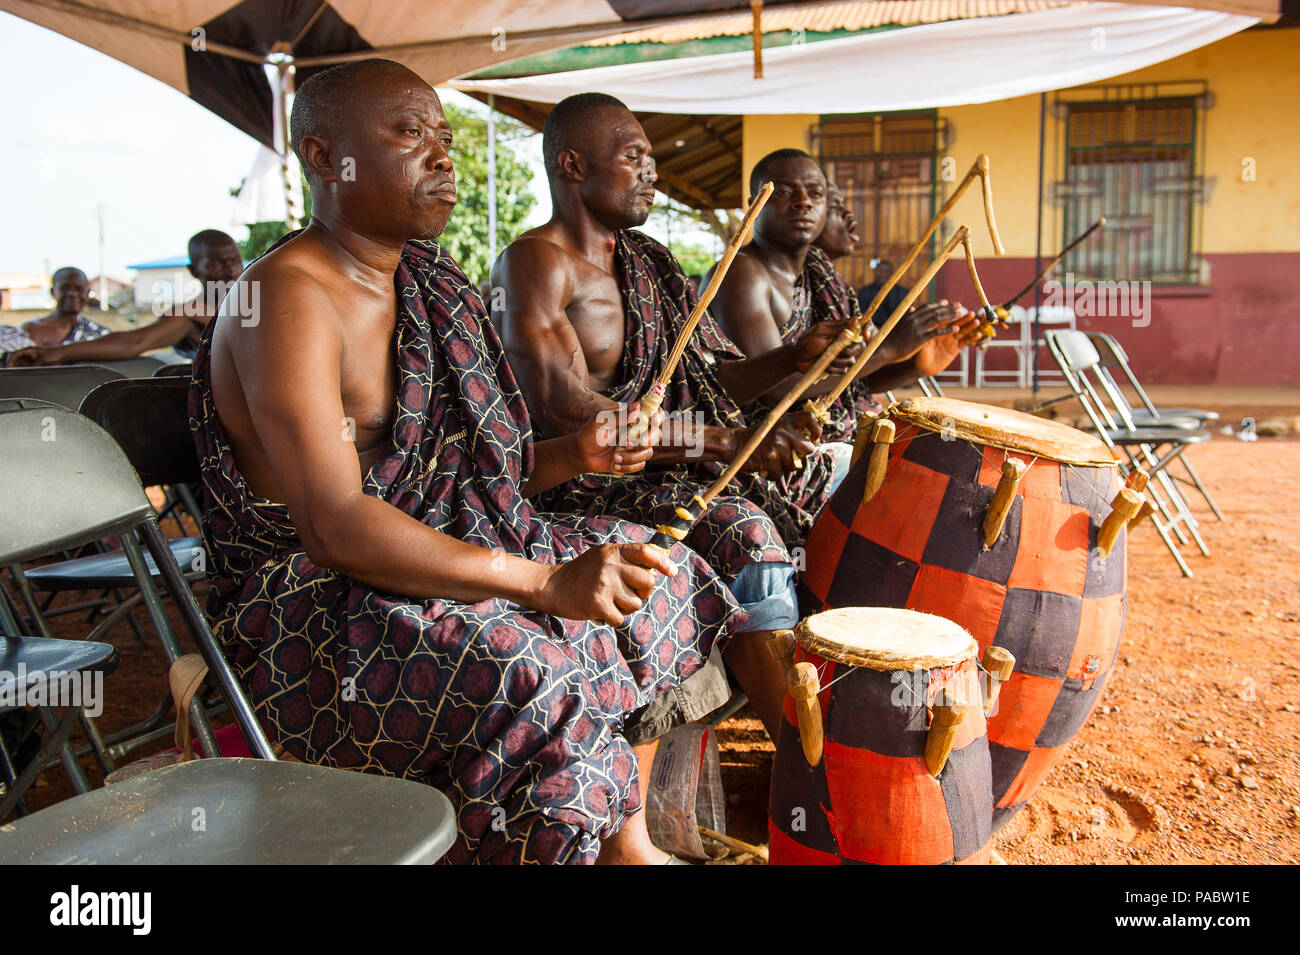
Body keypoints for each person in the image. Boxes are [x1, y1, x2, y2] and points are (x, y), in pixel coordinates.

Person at [193, 59, 743, 865]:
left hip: (425, 547)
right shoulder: (287, 296)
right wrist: (542, 582)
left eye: (444, 136)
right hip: (311, 605)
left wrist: (575, 453)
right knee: (536, 664)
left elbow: (473, 478)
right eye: (410, 133)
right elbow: (335, 524)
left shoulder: (427, 282)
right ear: (321, 156)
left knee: (666, 580)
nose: (443, 156)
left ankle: (628, 844)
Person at [493, 92, 838, 741]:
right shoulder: (532, 262)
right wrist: (720, 440)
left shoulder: (645, 263)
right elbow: (564, 405)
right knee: (745, 528)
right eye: (634, 157)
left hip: (660, 472)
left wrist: (793, 358)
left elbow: (705, 380)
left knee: (788, 507)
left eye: (652, 158)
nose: (651, 170)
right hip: (572, 485)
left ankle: (801, 731)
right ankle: (798, 751)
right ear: (571, 165)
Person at [710, 150, 981, 457]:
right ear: (754, 206)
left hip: (829, 437)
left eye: (815, 193)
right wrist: (886, 348)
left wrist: (914, 364)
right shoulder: (742, 272)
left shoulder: (818, 271)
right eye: (784, 192)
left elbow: (851, 383)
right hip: (765, 450)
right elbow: (777, 390)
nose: (804, 202)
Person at [4, 231, 244, 367]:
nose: (230, 269)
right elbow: (136, 341)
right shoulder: (191, 313)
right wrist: (55, 353)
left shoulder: (254, 304)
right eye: (215, 263)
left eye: (233, 260)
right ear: (194, 271)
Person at [0, 267, 110, 358]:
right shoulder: (30, 330)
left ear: (87, 293)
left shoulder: (100, 334)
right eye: (65, 288)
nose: (72, 293)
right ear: (53, 292)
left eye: (78, 289)